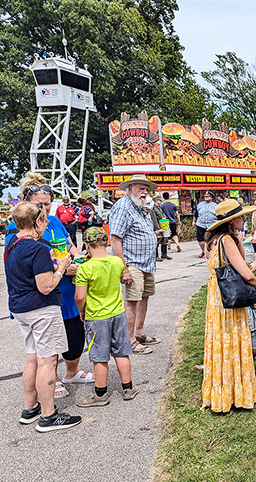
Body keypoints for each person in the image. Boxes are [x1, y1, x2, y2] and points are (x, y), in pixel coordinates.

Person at [6, 173, 94, 399]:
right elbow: (28, 259)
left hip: (67, 290)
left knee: (75, 337)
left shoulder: (54, 221)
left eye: (47, 204)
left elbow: (70, 245)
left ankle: (71, 372)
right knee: (48, 347)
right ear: (27, 202)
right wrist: (62, 266)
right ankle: (51, 381)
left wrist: (77, 260)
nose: (44, 209)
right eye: (39, 205)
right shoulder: (16, 230)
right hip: (44, 294)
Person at [5, 202, 81, 432]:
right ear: (36, 222)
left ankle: (31, 407)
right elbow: (46, 286)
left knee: (32, 357)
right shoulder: (37, 248)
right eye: (45, 220)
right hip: (41, 309)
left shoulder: (12, 243)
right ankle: (49, 415)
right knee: (48, 361)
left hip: (21, 308)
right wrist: (61, 267)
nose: (47, 224)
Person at [201, 199, 256, 412]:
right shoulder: (227, 240)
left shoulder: (213, 241)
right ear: (231, 220)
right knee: (234, 341)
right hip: (231, 300)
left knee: (220, 344)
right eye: (241, 216)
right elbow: (244, 270)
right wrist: (255, 286)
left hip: (216, 298)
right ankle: (237, 394)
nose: (244, 218)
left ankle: (221, 393)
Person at [75, 227, 140, 406]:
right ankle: (128, 388)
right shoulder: (117, 262)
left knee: (99, 356)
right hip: (118, 314)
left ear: (87, 245)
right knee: (122, 352)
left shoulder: (85, 268)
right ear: (106, 243)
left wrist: (82, 310)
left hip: (97, 316)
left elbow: (79, 297)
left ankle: (100, 393)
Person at [108, 174, 163, 355]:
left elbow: (138, 233)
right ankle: (129, 340)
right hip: (132, 263)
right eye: (141, 189)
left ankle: (139, 333)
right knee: (131, 300)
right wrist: (123, 269)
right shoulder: (122, 207)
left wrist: (154, 236)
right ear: (130, 189)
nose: (145, 192)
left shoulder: (141, 207)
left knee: (144, 296)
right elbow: (115, 239)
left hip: (146, 262)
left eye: (146, 189)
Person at [193, 191, 217, 258]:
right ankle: (204, 251)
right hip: (201, 224)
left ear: (211, 197)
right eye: (205, 197)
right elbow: (196, 214)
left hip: (212, 225)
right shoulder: (200, 204)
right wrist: (194, 221)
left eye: (207, 196)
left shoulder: (216, 205)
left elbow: (219, 215)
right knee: (200, 239)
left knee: (212, 239)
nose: (205, 198)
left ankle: (211, 251)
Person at [149, 196, 171, 261]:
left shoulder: (159, 208)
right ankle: (156, 256)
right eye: (160, 200)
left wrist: (164, 218)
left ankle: (164, 254)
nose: (161, 201)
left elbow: (163, 215)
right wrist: (157, 228)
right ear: (156, 200)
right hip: (158, 226)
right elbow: (154, 219)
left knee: (165, 240)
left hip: (163, 225)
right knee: (157, 241)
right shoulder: (153, 208)